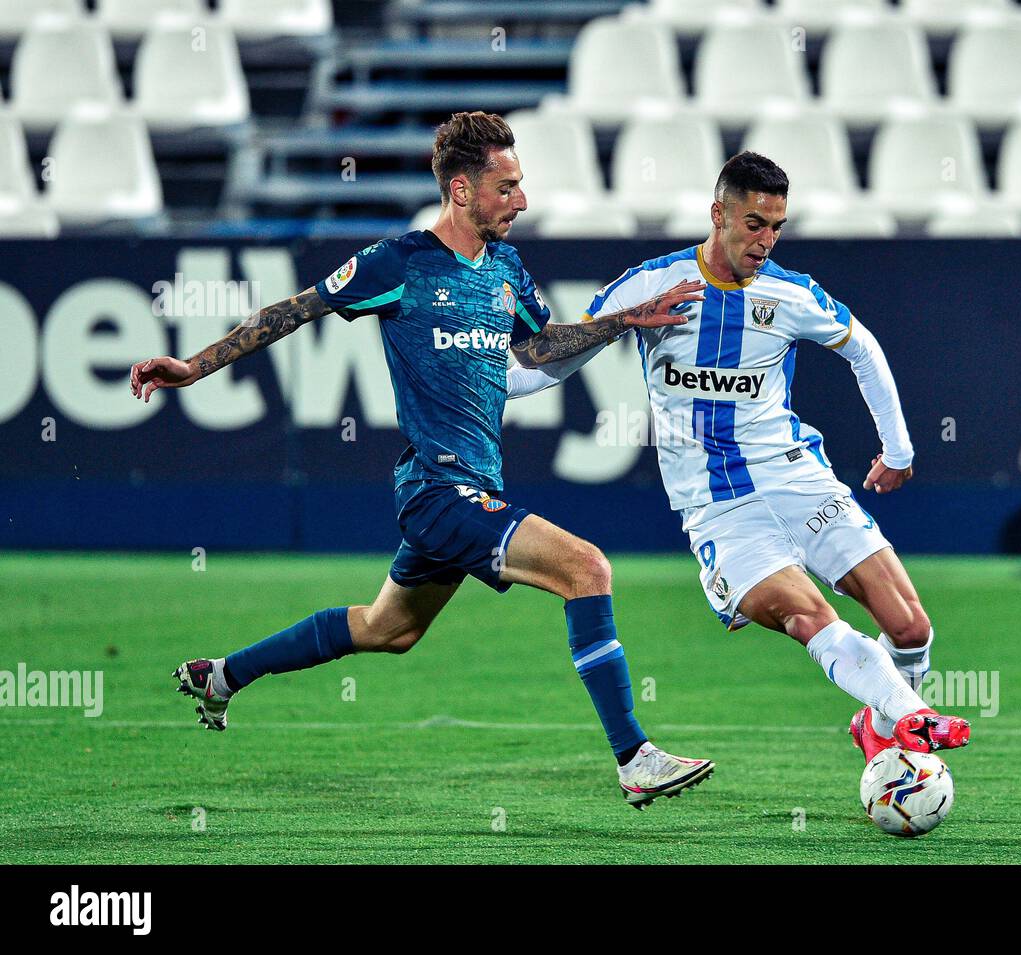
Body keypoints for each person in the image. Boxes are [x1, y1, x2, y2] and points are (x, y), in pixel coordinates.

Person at [128, 111, 714, 808]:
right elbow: (295, 309)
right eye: (507, 186)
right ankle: (634, 755)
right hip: (436, 490)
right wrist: (194, 367)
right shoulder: (399, 263)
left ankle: (223, 674)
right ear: (461, 191)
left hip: (467, 487)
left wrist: (625, 320)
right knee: (587, 568)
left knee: (388, 628)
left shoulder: (504, 267)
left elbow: (539, 344)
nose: (521, 200)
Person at [506, 152, 971, 764]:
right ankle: (915, 720)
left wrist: (899, 448)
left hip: (796, 477)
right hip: (718, 506)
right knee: (809, 615)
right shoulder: (650, 285)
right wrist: (501, 376)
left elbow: (864, 350)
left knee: (911, 628)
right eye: (755, 224)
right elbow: (536, 372)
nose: (766, 241)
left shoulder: (791, 294)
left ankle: (882, 730)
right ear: (718, 213)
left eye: (777, 226)